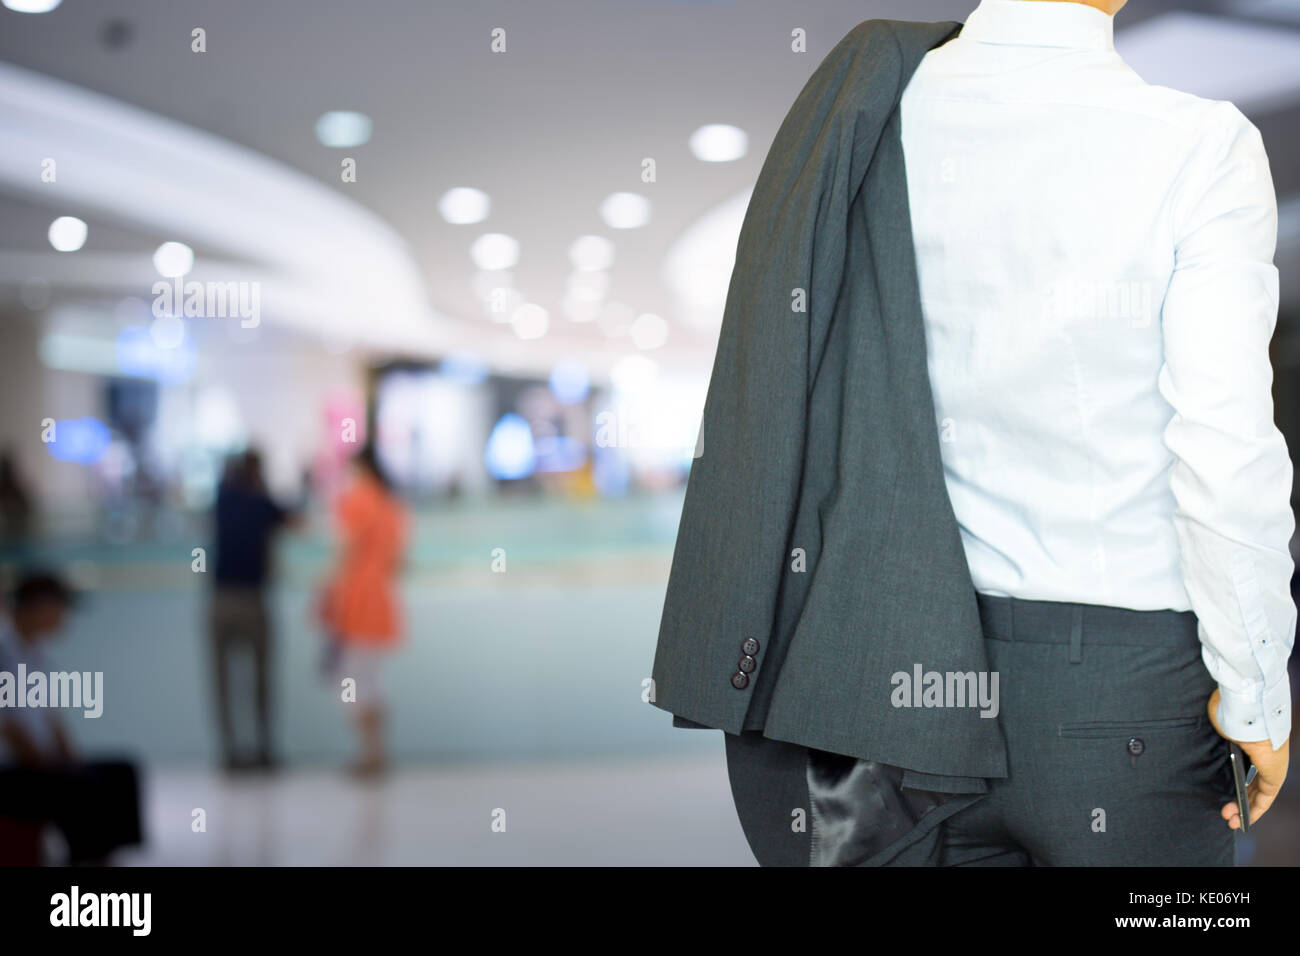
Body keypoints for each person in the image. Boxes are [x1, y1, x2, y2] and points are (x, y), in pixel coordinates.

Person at [889, 0, 1289, 863]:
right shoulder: (1198, 145)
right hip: (1125, 693)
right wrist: (1257, 693)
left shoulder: (876, 119)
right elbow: (1223, 445)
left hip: (906, 676)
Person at [0, 572, 142, 864]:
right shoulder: (4, 651)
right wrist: (53, 765)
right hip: (15, 770)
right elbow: (10, 728)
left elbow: (50, 718)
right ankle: (86, 855)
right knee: (78, 786)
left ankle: (105, 851)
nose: (66, 618)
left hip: (39, 761)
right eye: (61, 609)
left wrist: (68, 757)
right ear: (39, 607)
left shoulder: (34, 651)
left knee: (120, 771)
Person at [319, 443, 407, 778]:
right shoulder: (392, 505)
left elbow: (345, 551)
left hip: (357, 603)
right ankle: (376, 753)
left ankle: (369, 755)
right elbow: (399, 562)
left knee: (352, 683)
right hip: (382, 602)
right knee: (371, 682)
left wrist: (329, 589)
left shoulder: (357, 501)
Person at [210, 448, 298, 771]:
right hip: (252, 599)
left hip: (220, 600)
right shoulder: (261, 503)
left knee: (223, 681)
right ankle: (263, 749)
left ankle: (230, 752)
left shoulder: (222, 499)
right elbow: (294, 521)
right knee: (261, 680)